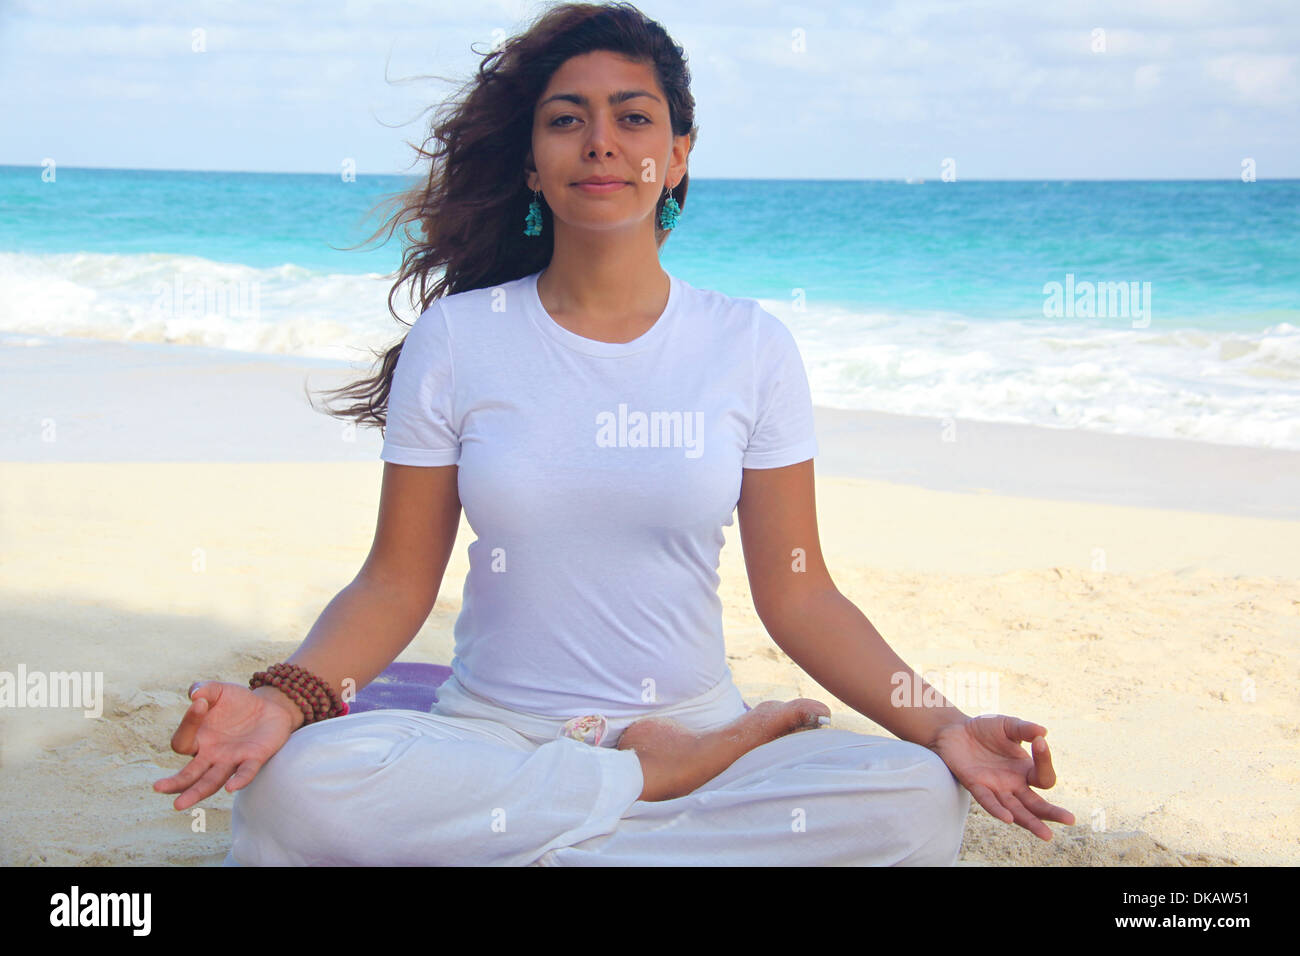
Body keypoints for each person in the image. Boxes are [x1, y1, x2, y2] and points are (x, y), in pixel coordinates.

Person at [153, 0, 1074, 866]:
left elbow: (802, 597)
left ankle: (594, 815)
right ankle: (636, 784)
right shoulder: (459, 339)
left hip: (708, 736)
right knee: (297, 787)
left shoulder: (749, 345)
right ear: (531, 162)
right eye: (566, 119)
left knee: (916, 796)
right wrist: (283, 700)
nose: (601, 141)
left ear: (677, 154)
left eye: (633, 119)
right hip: (496, 739)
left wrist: (947, 725)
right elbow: (395, 583)